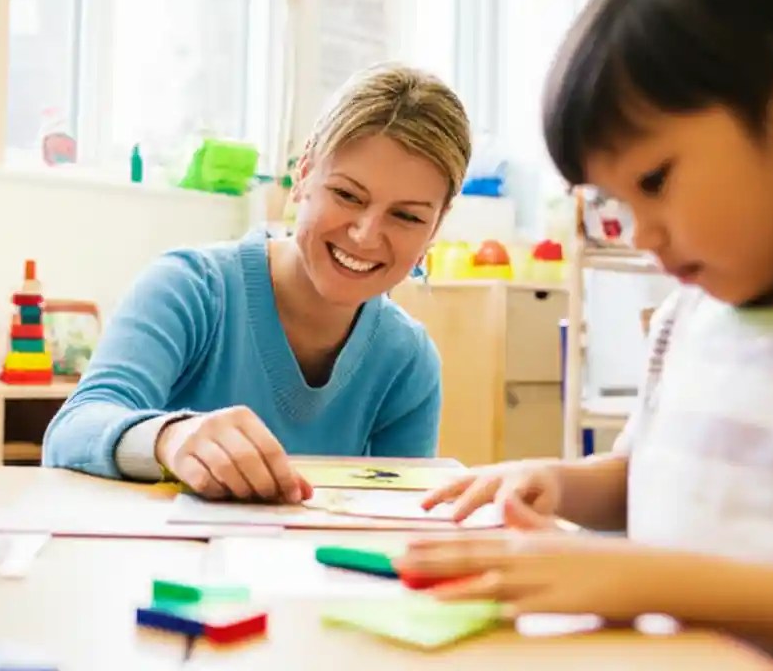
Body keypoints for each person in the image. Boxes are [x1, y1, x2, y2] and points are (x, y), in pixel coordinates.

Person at [397, 0, 773, 668]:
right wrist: (557, 482)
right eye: (618, 201)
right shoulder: (690, 318)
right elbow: (641, 477)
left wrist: (660, 581)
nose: (639, 233)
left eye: (655, 180)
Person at [44, 63, 471, 503]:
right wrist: (169, 437)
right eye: (347, 194)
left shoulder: (407, 361)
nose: (365, 234)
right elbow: (71, 431)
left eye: (406, 216)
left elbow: (399, 521)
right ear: (304, 175)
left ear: (435, 227)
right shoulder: (189, 289)